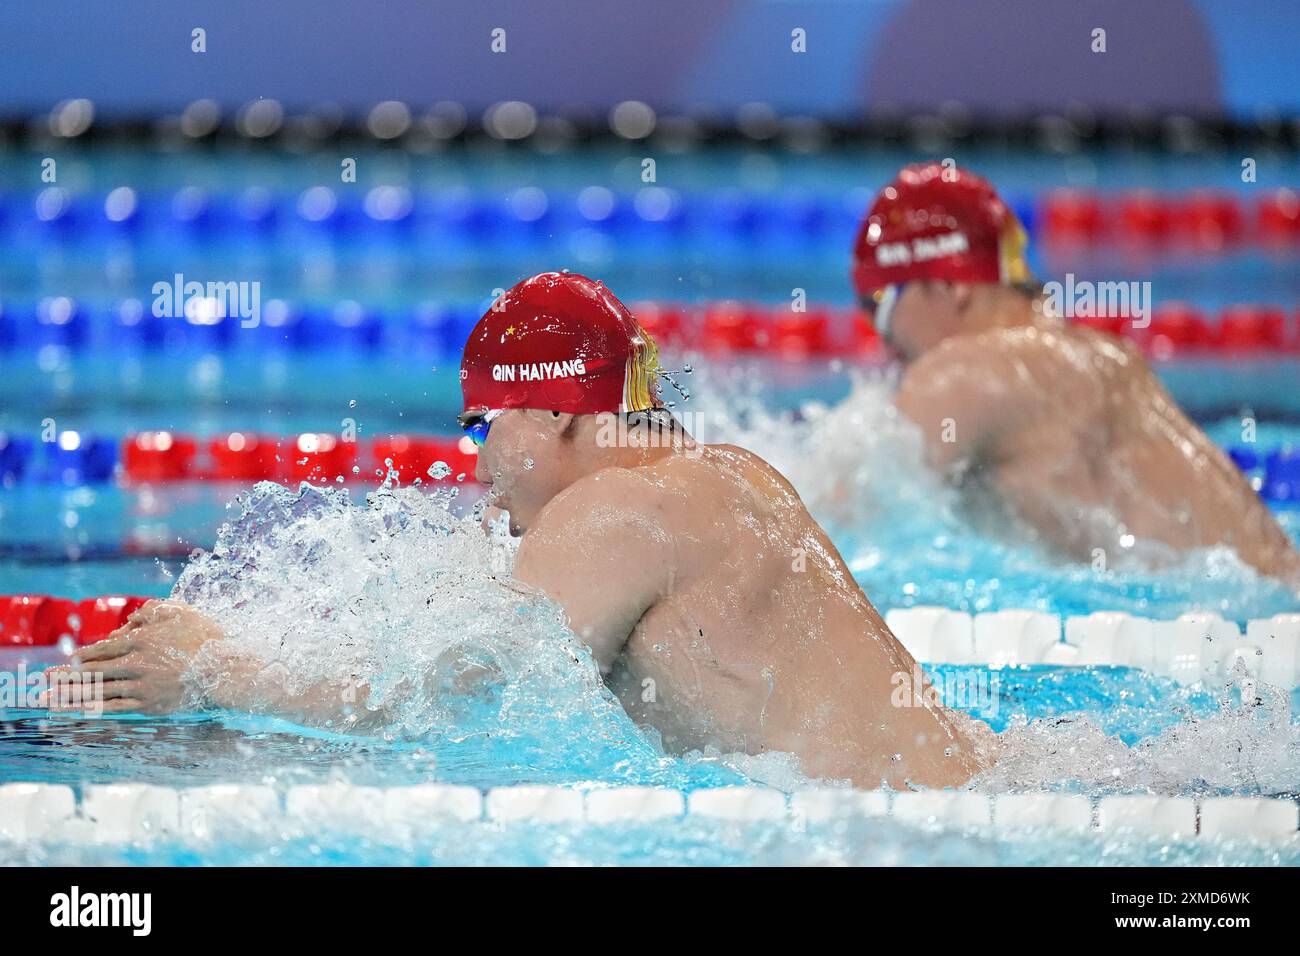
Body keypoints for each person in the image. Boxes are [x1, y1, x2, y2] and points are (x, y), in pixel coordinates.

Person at [43, 272, 985, 790]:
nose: (478, 465)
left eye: (485, 428)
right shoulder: (731, 475)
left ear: (558, 416)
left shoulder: (614, 511)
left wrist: (218, 672)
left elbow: (446, 707)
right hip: (967, 795)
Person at [853, 162, 1300, 585]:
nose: (883, 340)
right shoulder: (1104, 354)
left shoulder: (964, 375)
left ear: (950, 284)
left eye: (878, 305)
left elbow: (841, 525)